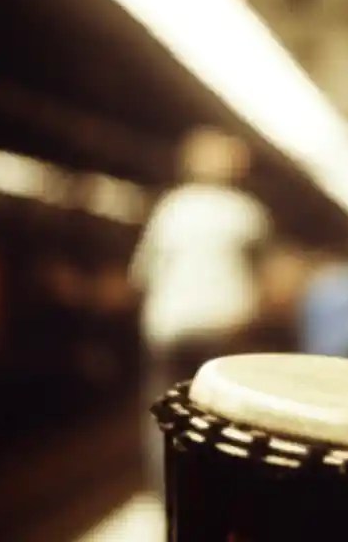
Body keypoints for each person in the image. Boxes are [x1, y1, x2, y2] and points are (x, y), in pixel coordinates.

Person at [128, 126, 273, 495]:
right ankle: (218, 489)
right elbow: (267, 278)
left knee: (163, 411)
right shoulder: (246, 211)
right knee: (224, 414)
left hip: (169, 326)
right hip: (225, 324)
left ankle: (166, 490)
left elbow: (140, 275)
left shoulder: (170, 208)